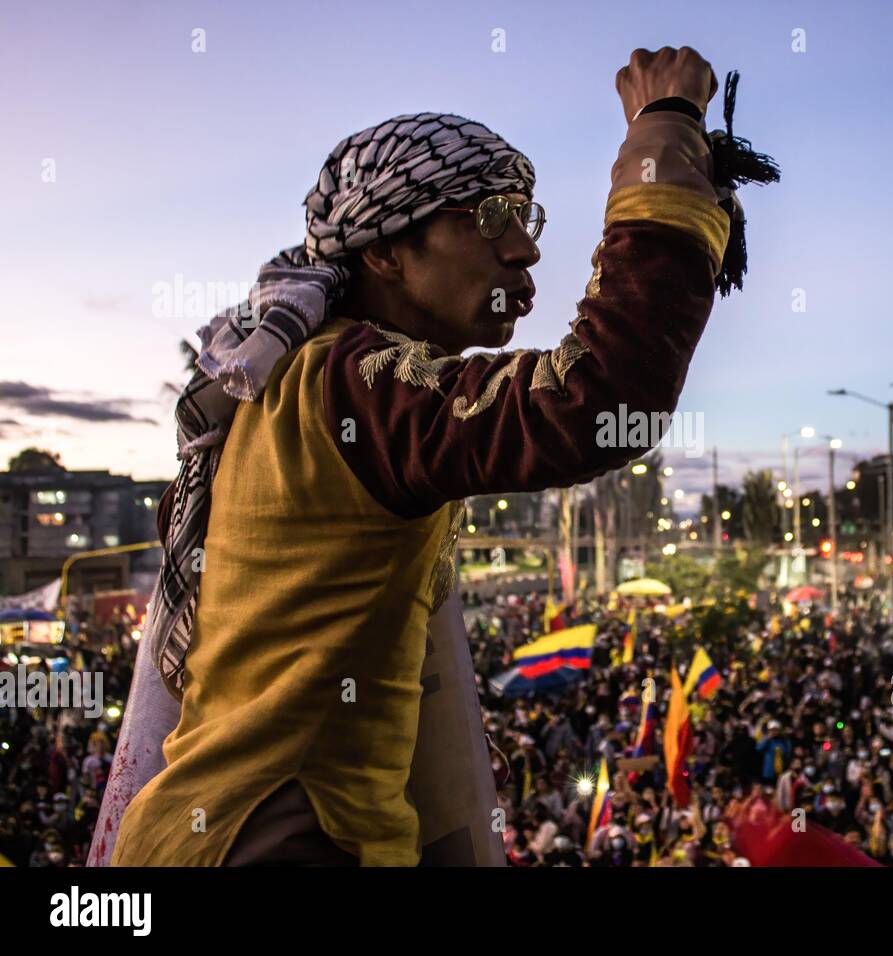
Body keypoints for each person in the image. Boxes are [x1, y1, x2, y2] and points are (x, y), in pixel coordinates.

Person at [96, 46, 740, 867]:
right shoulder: (349, 382)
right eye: (489, 213)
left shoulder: (297, 380)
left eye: (527, 215)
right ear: (385, 252)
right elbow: (599, 395)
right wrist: (664, 132)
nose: (526, 248)